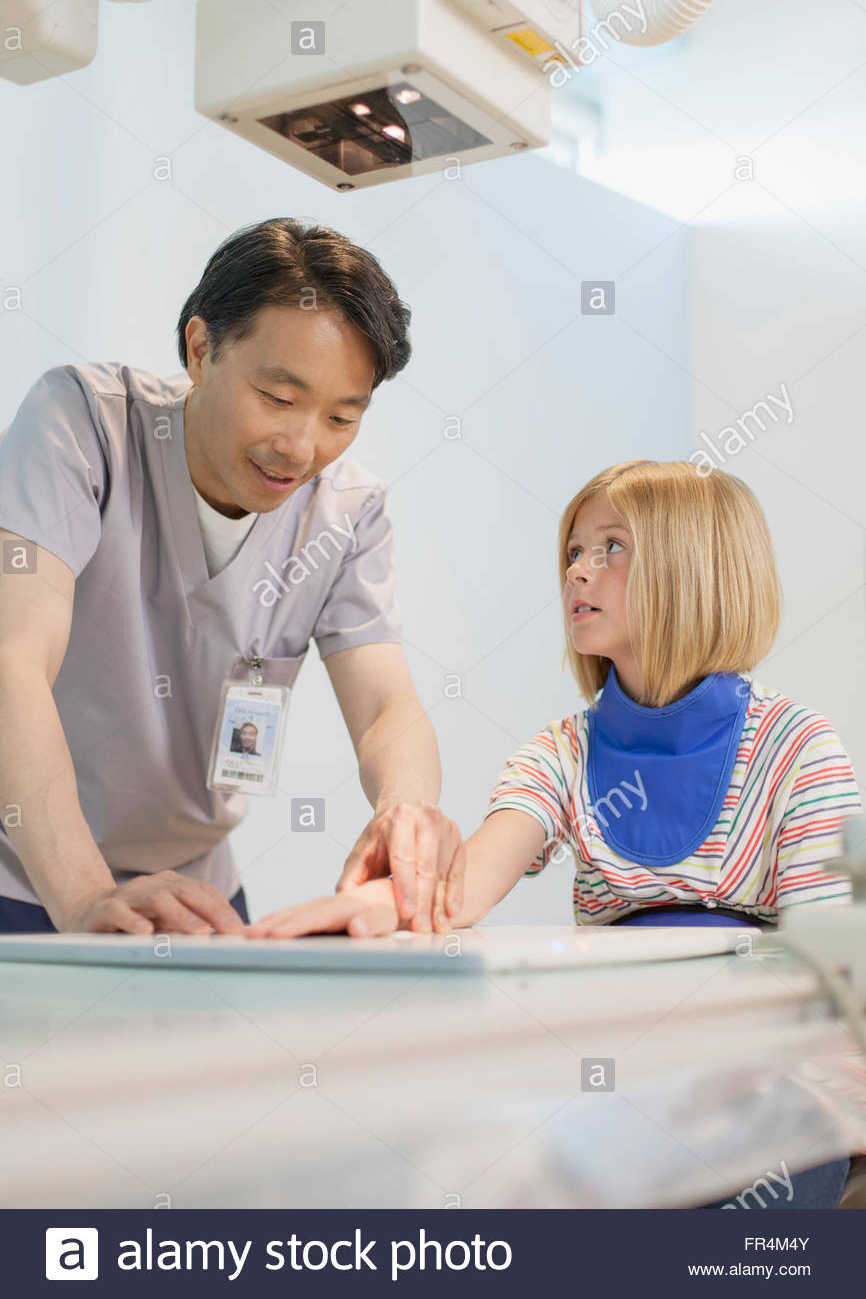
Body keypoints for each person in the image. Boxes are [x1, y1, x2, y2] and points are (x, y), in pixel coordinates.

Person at [244, 459, 862, 1207]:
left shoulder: (796, 746)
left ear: (697, 570)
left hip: (778, 1093)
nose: (579, 572)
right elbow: (465, 883)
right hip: (631, 1087)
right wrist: (372, 906)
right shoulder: (562, 752)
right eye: (573, 551)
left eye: (612, 548)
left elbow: (833, 965)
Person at [0, 218, 464, 937]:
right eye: (279, 399)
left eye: (342, 416)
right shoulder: (85, 425)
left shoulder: (346, 512)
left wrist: (406, 812)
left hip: (195, 891)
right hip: (31, 873)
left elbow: (384, 710)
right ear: (200, 349)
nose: (302, 447)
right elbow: (13, 660)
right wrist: (86, 895)